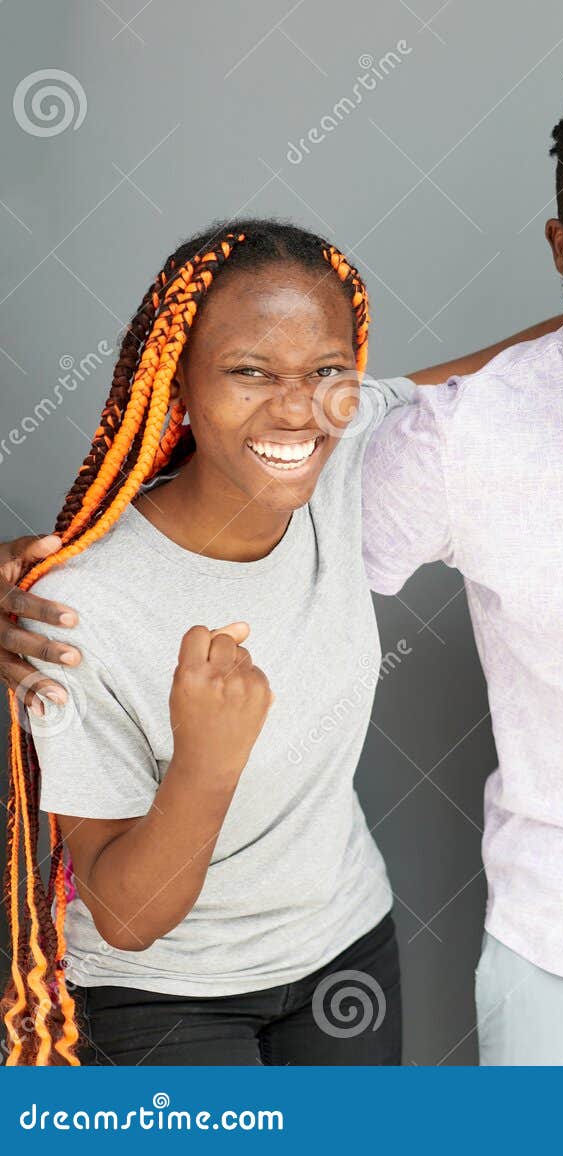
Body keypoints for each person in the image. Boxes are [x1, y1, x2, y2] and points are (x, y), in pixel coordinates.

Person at [3, 48, 563, 1066]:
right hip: (509, 964)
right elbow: (252, 488)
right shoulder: (451, 443)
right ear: (561, 246)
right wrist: (62, 598)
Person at [1, 221, 409, 1066]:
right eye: (250, 372)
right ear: (179, 379)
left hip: (345, 947)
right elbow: (129, 916)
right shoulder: (77, 610)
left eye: (327, 371)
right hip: (162, 998)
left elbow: (513, 374)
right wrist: (207, 763)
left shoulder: (343, 455)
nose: (297, 409)